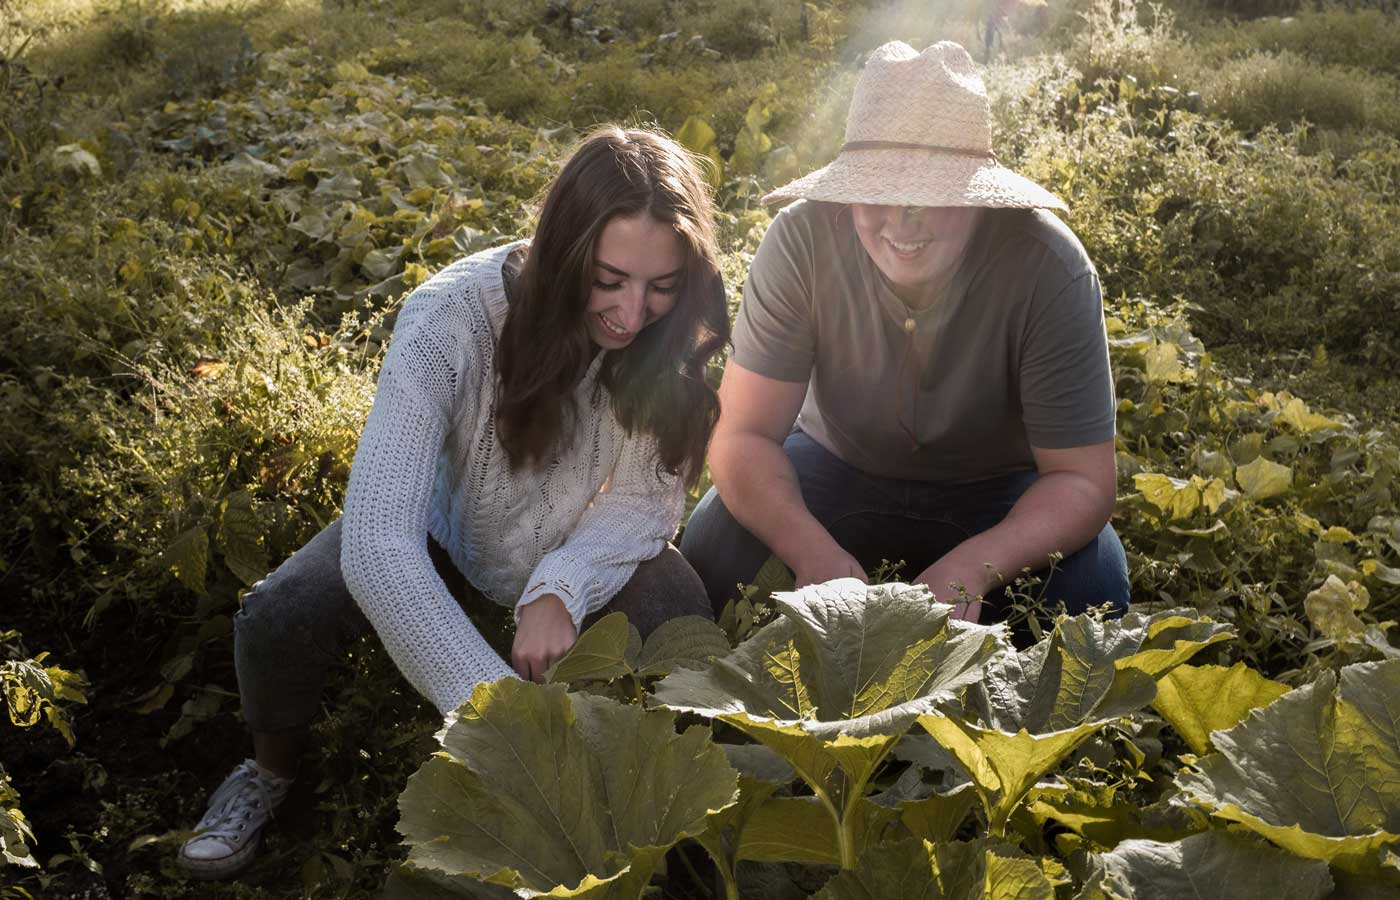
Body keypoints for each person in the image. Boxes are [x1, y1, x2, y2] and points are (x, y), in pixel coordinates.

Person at [177, 126, 730, 879]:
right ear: (563, 252)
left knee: (679, 605)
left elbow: (643, 501)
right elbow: (379, 544)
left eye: (661, 287)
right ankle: (269, 774)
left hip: (571, 540)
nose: (631, 316)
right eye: (608, 280)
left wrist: (562, 588)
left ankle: (669, 818)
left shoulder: (666, 338)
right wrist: (500, 719)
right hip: (445, 529)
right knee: (282, 612)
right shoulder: (449, 320)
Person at [681, 41, 1130, 626]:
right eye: (876, 192)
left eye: (926, 197)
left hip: (998, 492)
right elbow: (743, 436)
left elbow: (1081, 480)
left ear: (974, 196)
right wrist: (812, 554)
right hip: (834, 469)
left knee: (1091, 590)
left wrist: (975, 568)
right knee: (715, 546)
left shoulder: (1050, 268)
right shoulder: (800, 242)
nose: (899, 221)